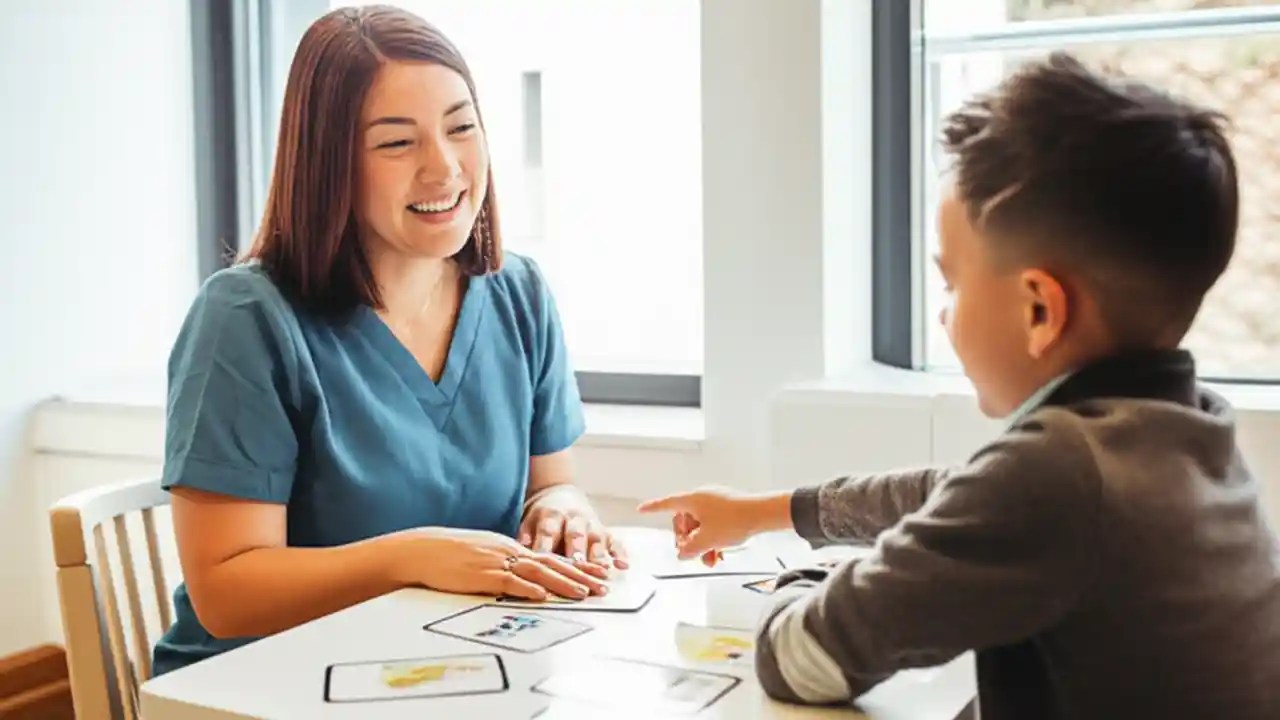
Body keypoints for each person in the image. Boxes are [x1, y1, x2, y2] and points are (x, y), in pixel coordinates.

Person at [640, 53, 1280, 719]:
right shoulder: (1190, 436)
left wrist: (805, 588)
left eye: (953, 283)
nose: (943, 312)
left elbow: (801, 658)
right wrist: (763, 512)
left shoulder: (1056, 476)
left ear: (1039, 311)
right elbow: (957, 491)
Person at [153, 5, 627, 676]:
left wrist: (560, 509)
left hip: (444, 668)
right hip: (257, 685)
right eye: (397, 143)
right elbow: (228, 595)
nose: (444, 169)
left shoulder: (518, 293)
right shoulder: (245, 318)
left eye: (461, 128)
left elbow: (548, 486)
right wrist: (413, 559)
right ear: (329, 164)